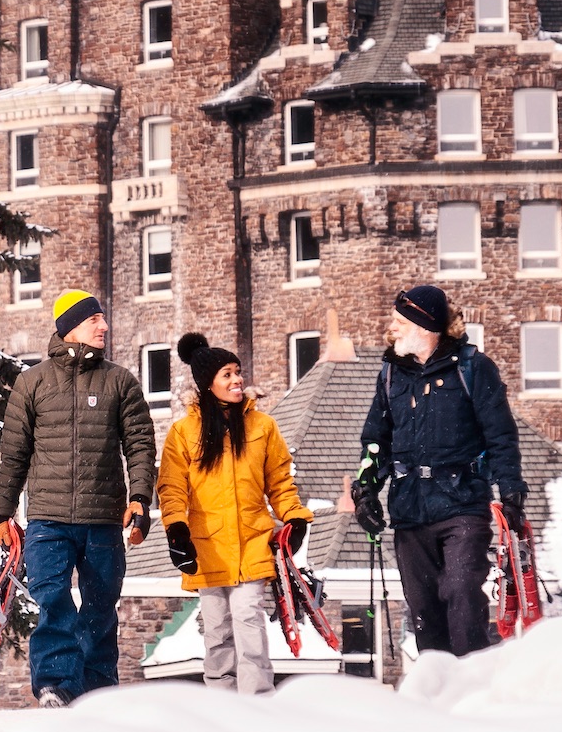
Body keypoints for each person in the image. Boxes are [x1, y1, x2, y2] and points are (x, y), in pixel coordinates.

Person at [0, 290, 157, 707]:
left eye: (103, 319)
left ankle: (97, 692)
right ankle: (56, 686)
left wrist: (140, 498)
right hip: (47, 519)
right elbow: (13, 453)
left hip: (103, 520)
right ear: (69, 328)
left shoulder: (121, 381)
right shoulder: (32, 383)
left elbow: (140, 444)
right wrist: (3, 512)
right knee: (52, 599)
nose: (104, 326)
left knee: (101, 608)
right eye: (93, 320)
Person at [351, 284, 527, 657]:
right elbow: (375, 440)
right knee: (424, 613)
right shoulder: (390, 374)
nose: (392, 327)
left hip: (462, 504)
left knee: (462, 593)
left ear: (424, 326)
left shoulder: (474, 368)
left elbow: (501, 435)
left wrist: (511, 492)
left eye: (400, 321)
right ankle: (436, 697)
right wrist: (365, 490)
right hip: (409, 510)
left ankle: (471, 684)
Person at [155, 333, 313, 694]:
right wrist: (176, 530)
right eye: (226, 374)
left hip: (252, 540)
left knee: (248, 620)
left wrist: (295, 516)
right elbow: (172, 488)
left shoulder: (262, 427)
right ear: (208, 384)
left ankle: (257, 701)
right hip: (206, 546)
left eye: (237, 372)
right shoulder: (183, 433)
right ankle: (221, 704)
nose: (237, 380)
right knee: (217, 631)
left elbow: (279, 480)